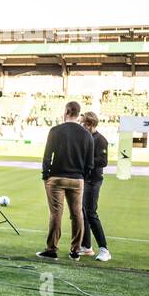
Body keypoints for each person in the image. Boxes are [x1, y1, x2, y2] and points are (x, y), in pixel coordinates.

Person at [38, 100, 95, 260]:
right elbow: (90, 164)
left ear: (67, 112)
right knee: (77, 214)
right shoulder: (87, 134)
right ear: (78, 114)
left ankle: (52, 249)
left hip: (57, 178)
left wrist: (46, 176)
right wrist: (81, 177)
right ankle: (75, 251)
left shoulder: (55, 130)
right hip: (77, 180)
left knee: (56, 214)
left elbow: (47, 156)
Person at [79, 111, 112, 262]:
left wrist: (87, 161)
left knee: (91, 213)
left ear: (90, 124)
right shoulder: (84, 138)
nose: (81, 125)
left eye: (83, 123)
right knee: (83, 213)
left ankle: (104, 250)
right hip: (84, 179)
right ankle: (86, 247)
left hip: (93, 181)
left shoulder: (101, 140)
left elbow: (103, 161)